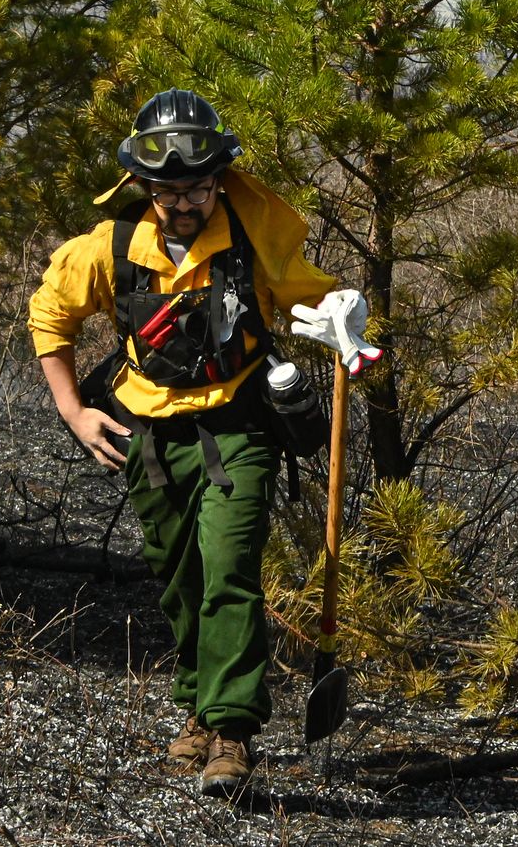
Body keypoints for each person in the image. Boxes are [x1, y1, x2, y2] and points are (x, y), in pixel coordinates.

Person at [27, 88, 370, 796]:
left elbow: (312, 295)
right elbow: (50, 315)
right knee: (180, 578)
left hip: (237, 424)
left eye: (198, 189)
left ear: (221, 178)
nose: (184, 205)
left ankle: (232, 732)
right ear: (143, 185)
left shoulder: (253, 236)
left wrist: (342, 316)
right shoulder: (112, 246)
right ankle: (196, 704)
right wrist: (74, 412)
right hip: (147, 432)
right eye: (169, 191)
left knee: (229, 565)